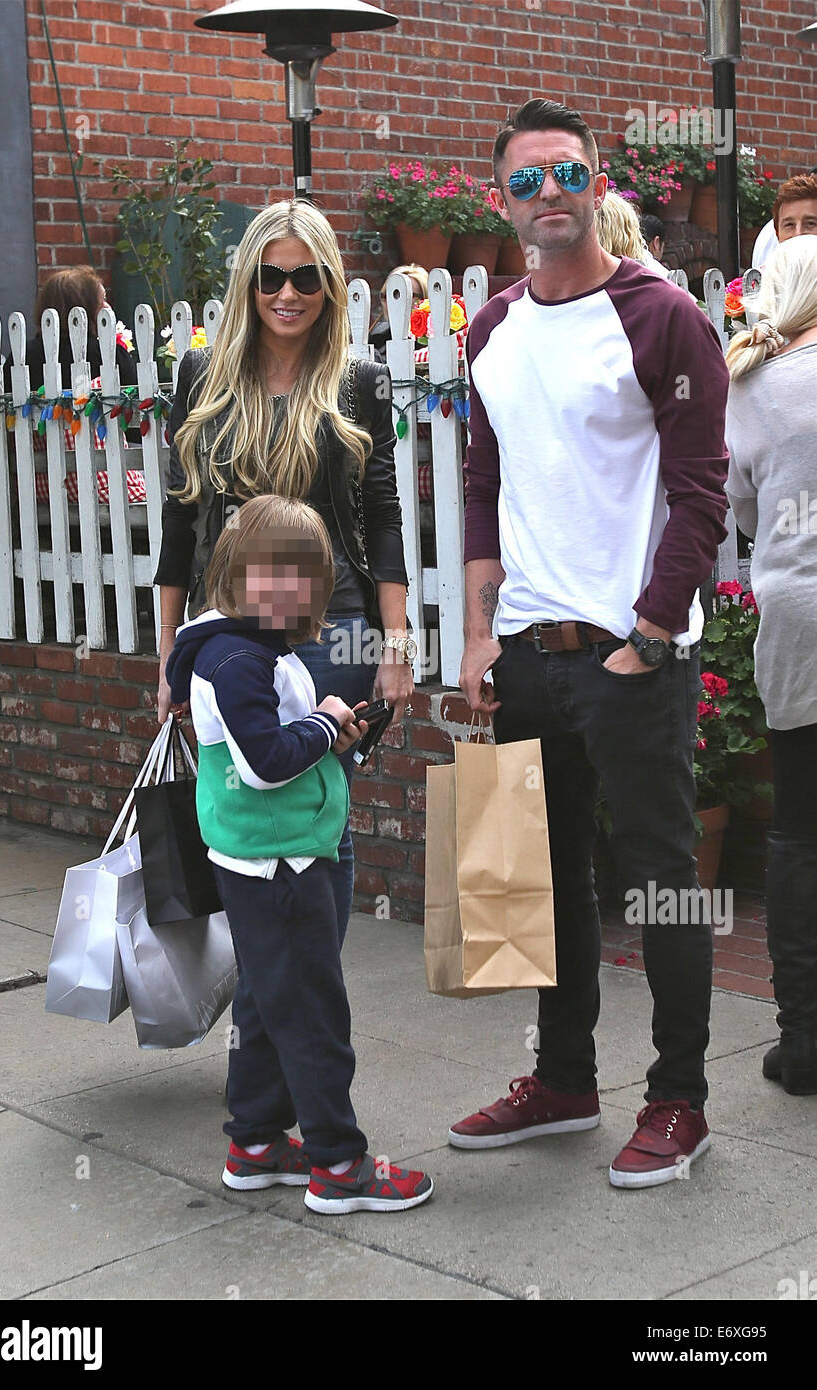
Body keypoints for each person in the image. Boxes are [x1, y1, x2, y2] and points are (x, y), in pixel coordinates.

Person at [453, 97, 730, 1188]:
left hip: (629, 653)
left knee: (661, 880)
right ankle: (562, 1080)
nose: (548, 197)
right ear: (501, 202)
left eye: (565, 175)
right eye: (524, 182)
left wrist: (651, 630)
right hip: (526, 650)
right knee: (538, 880)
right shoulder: (490, 330)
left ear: (597, 181)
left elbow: (702, 497)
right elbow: (483, 486)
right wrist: (479, 634)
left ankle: (677, 1099)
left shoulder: (661, 318)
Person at [153, 199, 414, 945]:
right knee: (244, 810)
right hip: (228, 629)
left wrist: (396, 647)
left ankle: (307, 985)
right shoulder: (203, 374)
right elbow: (178, 520)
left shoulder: (357, 380)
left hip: (331, 628)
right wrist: (170, 650)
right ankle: (270, 997)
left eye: (305, 277)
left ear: (329, 283)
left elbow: (385, 517)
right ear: (248, 283)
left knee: (317, 803)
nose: (287, 293)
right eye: (270, 277)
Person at [165, 494, 433, 1212]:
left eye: (306, 579)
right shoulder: (239, 662)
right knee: (314, 1011)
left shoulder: (237, 645)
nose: (291, 592)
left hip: (262, 857)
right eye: (271, 575)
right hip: (280, 861)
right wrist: (322, 723)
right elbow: (266, 764)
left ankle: (254, 1144)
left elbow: (283, 741)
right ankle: (339, 1165)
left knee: (267, 999)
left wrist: (327, 729)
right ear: (233, 570)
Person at [724, 236, 817, 1095]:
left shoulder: (753, 386)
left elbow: (744, 508)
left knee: (797, 829)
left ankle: (804, 1042)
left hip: (797, 618)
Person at [4, 267, 136, 392]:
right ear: (84, 307)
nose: (107, 307)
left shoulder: (22, 356)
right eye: (101, 301)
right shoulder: (109, 353)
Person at [752, 169, 817, 268]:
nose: (798, 233)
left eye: (810, 223)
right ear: (777, 233)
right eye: (789, 225)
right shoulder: (761, 280)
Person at [369, 262, 428, 358]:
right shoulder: (376, 337)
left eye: (402, 294)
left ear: (424, 299)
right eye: (387, 295)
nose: (392, 301)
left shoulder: (431, 341)